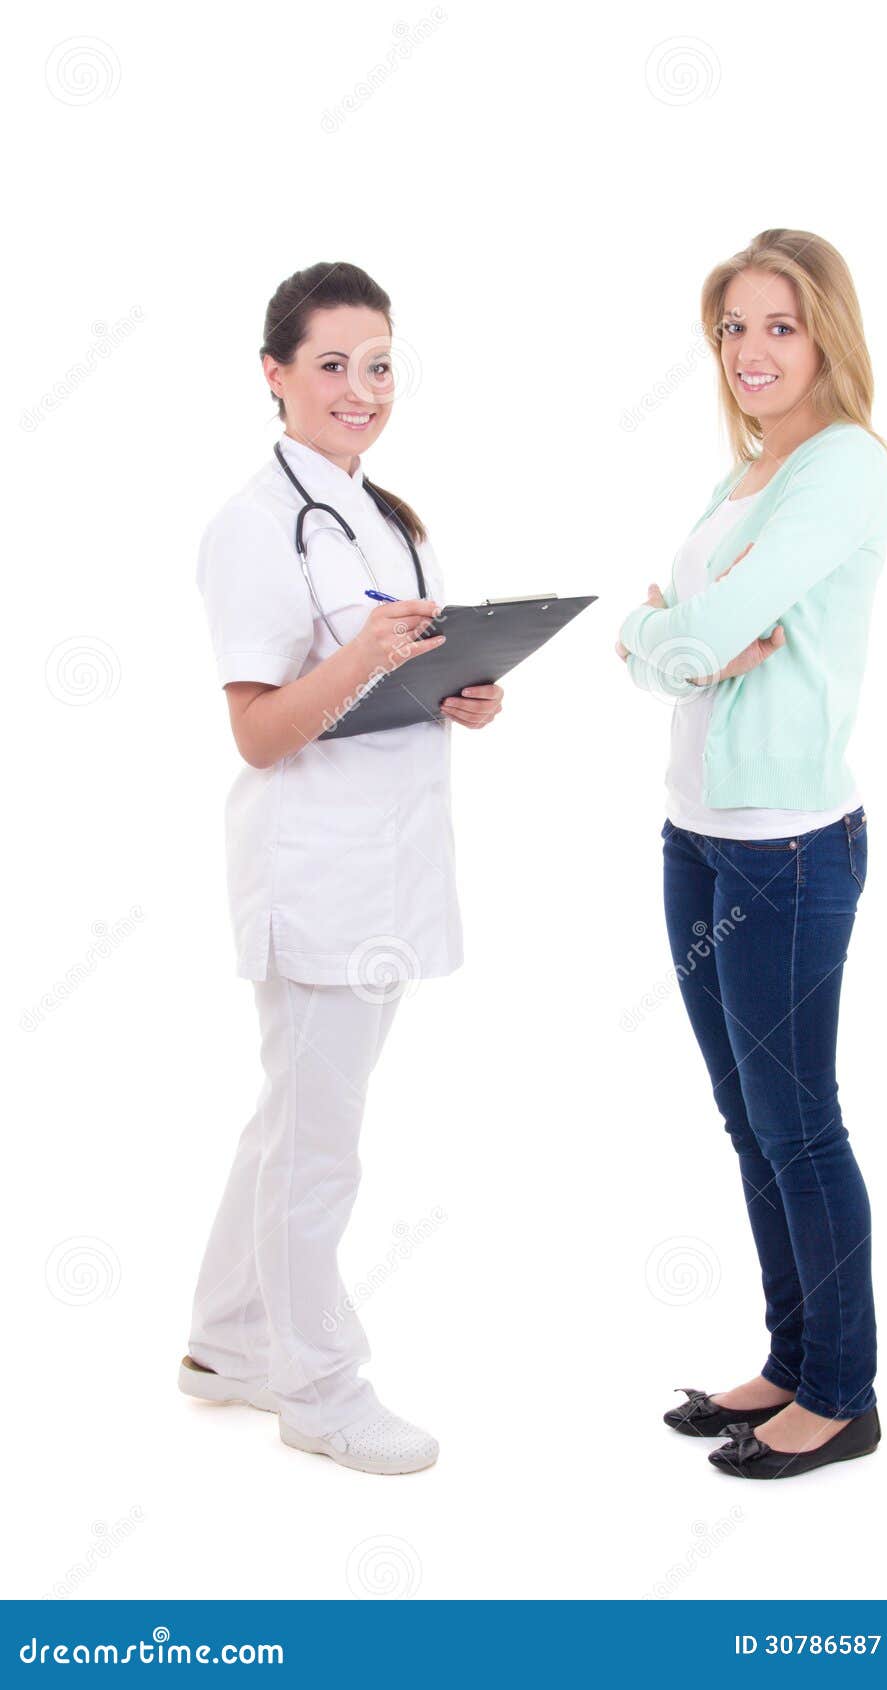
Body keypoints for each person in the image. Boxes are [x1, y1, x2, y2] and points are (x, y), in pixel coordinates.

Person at [179, 261, 503, 1476]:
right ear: (274, 375)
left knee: (288, 1123)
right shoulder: (252, 526)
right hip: (314, 876)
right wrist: (365, 657)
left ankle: (223, 1341)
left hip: (387, 864)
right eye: (331, 364)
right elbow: (259, 728)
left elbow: (378, 685)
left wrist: (455, 688)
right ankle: (317, 1386)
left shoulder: (382, 514)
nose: (360, 388)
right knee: (320, 1147)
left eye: (378, 364)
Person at [617, 229, 887, 1480]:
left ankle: (841, 1394)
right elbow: (664, 633)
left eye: (778, 325)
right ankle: (790, 1360)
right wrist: (658, 635)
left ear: (824, 333)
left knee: (798, 1126)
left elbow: (711, 623)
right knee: (747, 1119)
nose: (750, 351)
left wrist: (666, 635)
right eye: (732, 327)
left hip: (785, 848)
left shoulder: (839, 469)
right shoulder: (744, 474)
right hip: (698, 837)